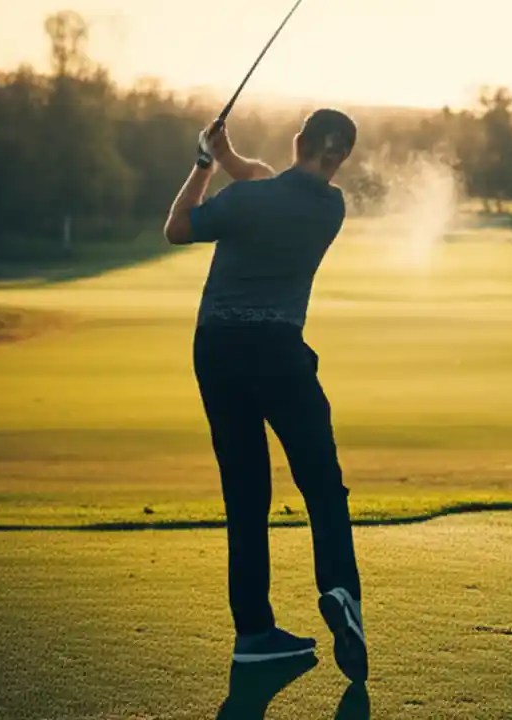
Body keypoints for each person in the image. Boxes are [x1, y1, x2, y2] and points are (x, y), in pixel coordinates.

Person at [163, 109, 367, 682]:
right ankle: (338, 589)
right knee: (322, 485)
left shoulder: (244, 202)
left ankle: (254, 632)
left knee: (247, 495)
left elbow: (177, 228)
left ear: (297, 141)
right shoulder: (331, 208)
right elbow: (266, 181)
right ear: (341, 158)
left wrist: (204, 163)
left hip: (217, 352)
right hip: (280, 352)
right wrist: (228, 158)